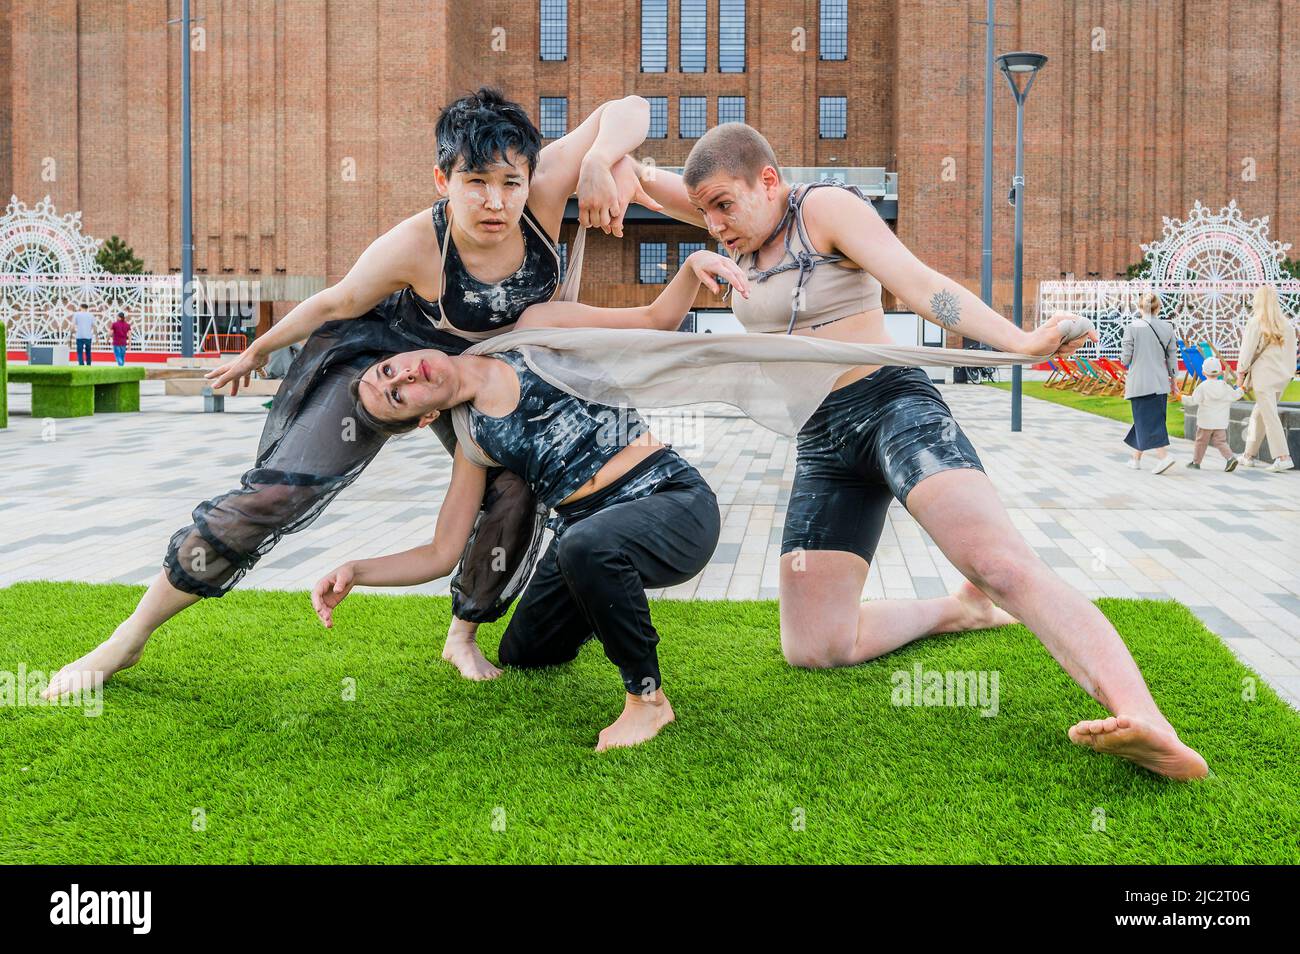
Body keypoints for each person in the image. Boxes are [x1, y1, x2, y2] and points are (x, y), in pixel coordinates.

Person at [607, 122, 1206, 780]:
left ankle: (1148, 722)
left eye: (724, 205)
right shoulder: (729, 226)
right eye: (704, 211)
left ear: (769, 182)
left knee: (999, 564)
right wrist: (600, 158)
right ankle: (960, 608)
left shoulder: (824, 209)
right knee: (814, 646)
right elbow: (632, 165)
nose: (714, 225)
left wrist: (1018, 342)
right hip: (824, 441)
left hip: (893, 407)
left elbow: (921, 286)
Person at [41, 87, 663, 701]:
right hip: (388, 365)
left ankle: (463, 634)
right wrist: (257, 351)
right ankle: (128, 636)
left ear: (530, 177)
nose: (495, 201)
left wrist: (594, 159)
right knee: (282, 490)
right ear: (442, 179)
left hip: (476, 374)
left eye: (509, 182)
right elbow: (336, 300)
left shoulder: (546, 190)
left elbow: (630, 108)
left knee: (513, 485)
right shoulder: (419, 243)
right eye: (475, 181)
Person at [320, 341, 722, 751]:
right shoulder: (474, 442)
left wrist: (691, 272)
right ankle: (604, 597)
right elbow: (442, 552)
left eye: (388, 370)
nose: (404, 376)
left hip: (673, 501)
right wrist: (357, 570)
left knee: (584, 545)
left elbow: (652, 323)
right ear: (426, 417)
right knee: (525, 652)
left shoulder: (528, 344)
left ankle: (647, 700)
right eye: (397, 397)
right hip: (588, 536)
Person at [1235, 284, 1297, 473]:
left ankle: (1283, 457)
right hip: (1281, 377)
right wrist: (1287, 373)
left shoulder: (1256, 322)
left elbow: (1246, 352)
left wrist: (1240, 373)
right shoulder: (1286, 325)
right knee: (1259, 414)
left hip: (1263, 377)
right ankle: (1248, 455)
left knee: (1269, 416)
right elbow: (1291, 354)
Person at [1120, 292, 1178, 475]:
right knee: (1146, 420)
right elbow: (1172, 358)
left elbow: (1125, 358)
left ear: (1139, 308)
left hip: (1140, 382)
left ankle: (1163, 457)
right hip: (1160, 383)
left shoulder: (1132, 327)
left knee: (1148, 421)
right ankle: (1135, 459)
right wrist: (1174, 382)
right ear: (1158, 307)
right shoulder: (1168, 328)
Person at [1183, 357, 1242, 471]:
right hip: (1220, 422)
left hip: (1205, 422)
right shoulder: (1225, 386)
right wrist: (1242, 389)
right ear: (1220, 372)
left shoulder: (1203, 387)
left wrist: (1181, 397)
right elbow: (1235, 395)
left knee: (1201, 442)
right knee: (1221, 442)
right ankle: (1230, 458)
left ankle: (1196, 462)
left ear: (1204, 372)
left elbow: (1193, 400)